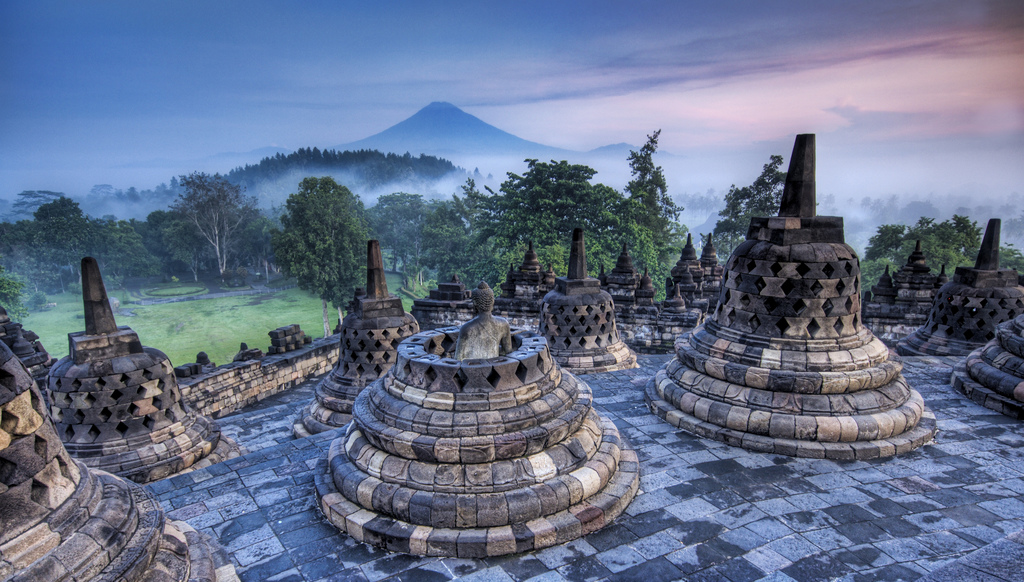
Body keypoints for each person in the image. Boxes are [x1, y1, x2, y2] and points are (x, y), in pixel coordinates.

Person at [454, 281, 512, 360]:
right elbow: (509, 354)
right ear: (492, 302)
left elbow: (458, 359)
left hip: (471, 367)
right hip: (494, 366)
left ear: (475, 303)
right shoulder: (503, 324)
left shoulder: (466, 328)